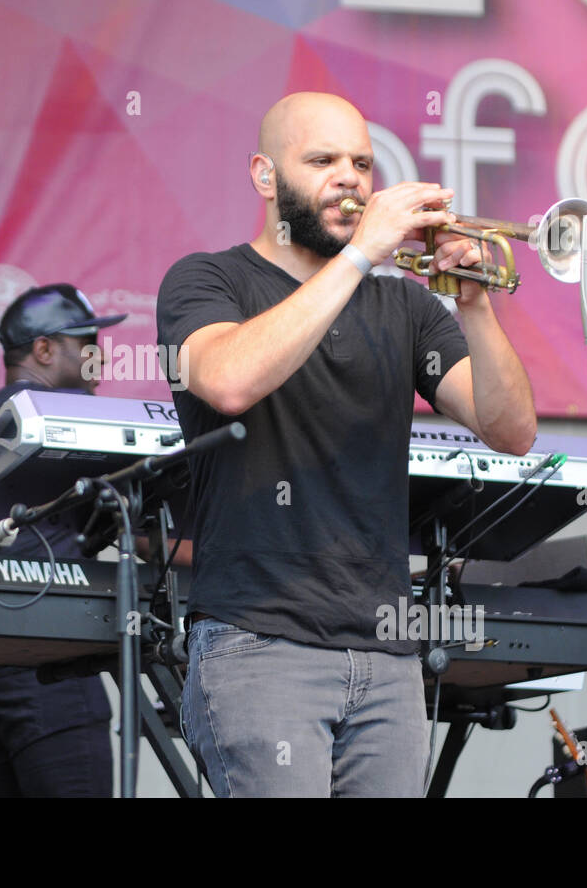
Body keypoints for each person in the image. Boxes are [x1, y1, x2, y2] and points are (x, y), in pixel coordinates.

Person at [155, 92, 536, 798]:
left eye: (362, 162)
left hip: (387, 654)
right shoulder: (207, 280)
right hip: (257, 640)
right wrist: (363, 254)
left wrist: (474, 303)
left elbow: (512, 431)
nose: (351, 178)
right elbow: (228, 379)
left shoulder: (409, 307)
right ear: (266, 177)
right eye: (322, 160)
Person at [0, 284, 122, 797]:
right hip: (42, 653)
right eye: (86, 342)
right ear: (43, 351)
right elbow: (148, 536)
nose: (97, 356)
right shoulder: (76, 414)